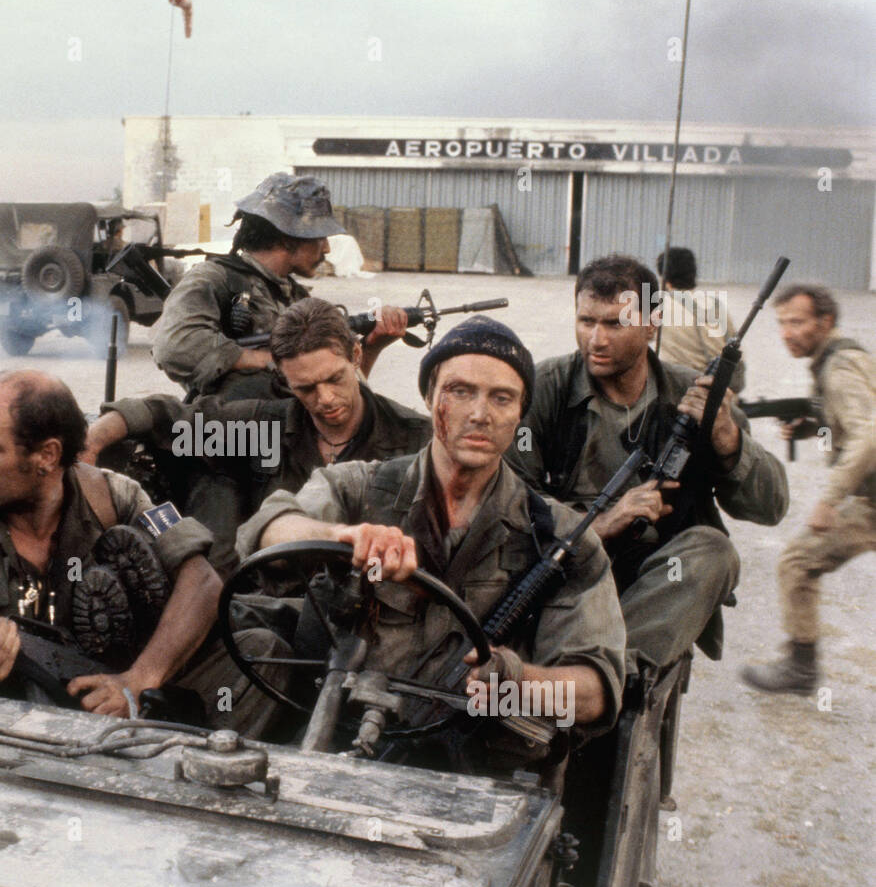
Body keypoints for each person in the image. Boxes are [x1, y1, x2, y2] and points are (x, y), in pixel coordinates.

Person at [236, 317, 627, 779]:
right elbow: (268, 529)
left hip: (478, 775)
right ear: (429, 397)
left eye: (501, 398)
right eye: (460, 391)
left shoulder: (558, 537)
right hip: (338, 740)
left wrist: (518, 680)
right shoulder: (361, 488)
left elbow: (596, 694)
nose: (480, 413)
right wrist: (343, 537)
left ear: (520, 414)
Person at [0, 371, 283, 731]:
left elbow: (201, 579)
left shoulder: (116, 496)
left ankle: (180, 782)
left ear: (46, 456)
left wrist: (138, 680)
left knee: (262, 654)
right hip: (9, 717)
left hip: (119, 686)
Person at [506, 254, 788, 678]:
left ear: (651, 324)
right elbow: (512, 499)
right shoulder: (545, 388)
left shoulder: (697, 396)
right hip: (568, 564)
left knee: (714, 551)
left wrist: (727, 439)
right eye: (586, 321)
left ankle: (609, 678)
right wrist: (600, 523)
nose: (595, 340)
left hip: (654, 579)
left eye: (615, 324)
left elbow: (771, 507)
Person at [84, 297, 431, 574]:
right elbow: (167, 418)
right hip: (268, 613)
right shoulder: (261, 431)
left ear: (356, 356)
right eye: (305, 388)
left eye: (335, 379)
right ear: (283, 377)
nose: (324, 399)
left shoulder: (414, 439)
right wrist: (93, 440)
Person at [152, 173, 406, 400]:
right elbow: (174, 346)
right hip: (236, 436)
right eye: (318, 236)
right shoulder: (213, 280)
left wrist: (373, 345)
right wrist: (269, 360)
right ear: (286, 238)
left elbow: (340, 395)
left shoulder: (297, 298)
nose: (327, 248)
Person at [743, 285, 876, 693]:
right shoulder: (840, 357)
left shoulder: (837, 368)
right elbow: (847, 426)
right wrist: (811, 429)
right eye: (782, 323)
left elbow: (869, 436)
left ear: (826, 322)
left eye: (797, 322)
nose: (787, 332)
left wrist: (828, 501)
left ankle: (801, 670)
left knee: (797, 563)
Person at [654, 247, 745, 393]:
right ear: (693, 273)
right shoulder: (715, 304)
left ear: (664, 277)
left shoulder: (659, 307)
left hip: (681, 391)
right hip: (722, 390)